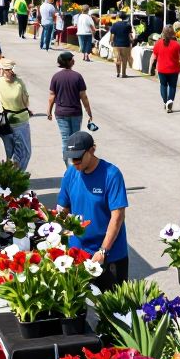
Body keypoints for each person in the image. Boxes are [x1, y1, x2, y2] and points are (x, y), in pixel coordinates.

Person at [57, 131, 129, 291]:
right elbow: (63, 208)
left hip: (109, 254)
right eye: (71, 158)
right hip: (78, 252)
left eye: (78, 157)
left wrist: (103, 251)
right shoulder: (70, 173)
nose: (74, 162)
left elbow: (117, 217)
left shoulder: (111, 174)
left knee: (114, 307)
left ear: (92, 150)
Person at [47, 51, 94, 155]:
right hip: (75, 113)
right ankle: (74, 165)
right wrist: (89, 112)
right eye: (72, 59)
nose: (74, 60)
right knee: (75, 140)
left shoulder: (56, 77)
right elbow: (83, 96)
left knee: (65, 140)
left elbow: (52, 96)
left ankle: (69, 166)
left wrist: (49, 111)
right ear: (68, 62)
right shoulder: (77, 76)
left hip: (61, 113)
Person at [0, 59, 32, 169]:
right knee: (24, 152)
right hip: (20, 121)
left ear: (2, 69)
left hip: (4, 122)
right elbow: (25, 101)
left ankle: (10, 177)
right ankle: (18, 175)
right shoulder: (19, 82)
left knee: (10, 152)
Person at [150, 25, 180, 112]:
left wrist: (151, 67)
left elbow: (153, 57)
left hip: (162, 69)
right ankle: (170, 101)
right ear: (173, 33)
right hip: (174, 69)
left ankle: (165, 102)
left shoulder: (158, 43)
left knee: (163, 85)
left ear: (163, 33)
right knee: (172, 86)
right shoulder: (177, 45)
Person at [109, 11, 134, 78]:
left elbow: (112, 35)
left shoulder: (114, 24)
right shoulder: (128, 25)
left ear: (118, 17)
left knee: (117, 59)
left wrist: (111, 41)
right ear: (125, 17)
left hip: (116, 44)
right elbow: (130, 35)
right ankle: (123, 74)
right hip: (125, 44)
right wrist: (132, 41)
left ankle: (118, 72)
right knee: (124, 60)